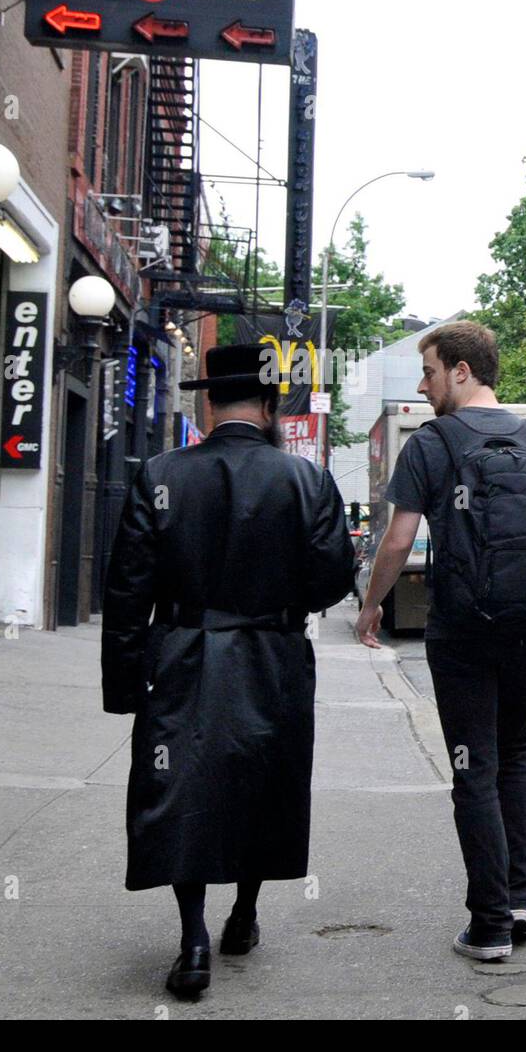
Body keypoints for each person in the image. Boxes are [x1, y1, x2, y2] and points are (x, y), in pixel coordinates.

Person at [101, 343, 356, 1000]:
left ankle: (192, 940)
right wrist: (280, 599)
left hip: (183, 652)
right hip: (272, 657)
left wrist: (124, 683)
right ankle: (242, 915)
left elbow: (127, 588)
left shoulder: (160, 473)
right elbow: (332, 579)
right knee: (262, 786)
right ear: (269, 406)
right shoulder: (308, 481)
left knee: (183, 791)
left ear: (207, 402)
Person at [354, 321, 526, 962]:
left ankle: (489, 925)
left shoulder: (433, 444)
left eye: (430, 370)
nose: (423, 383)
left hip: (463, 629)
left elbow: (398, 540)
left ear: (462, 371)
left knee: (474, 769)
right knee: (518, 752)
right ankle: (518, 901)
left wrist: (371, 605)